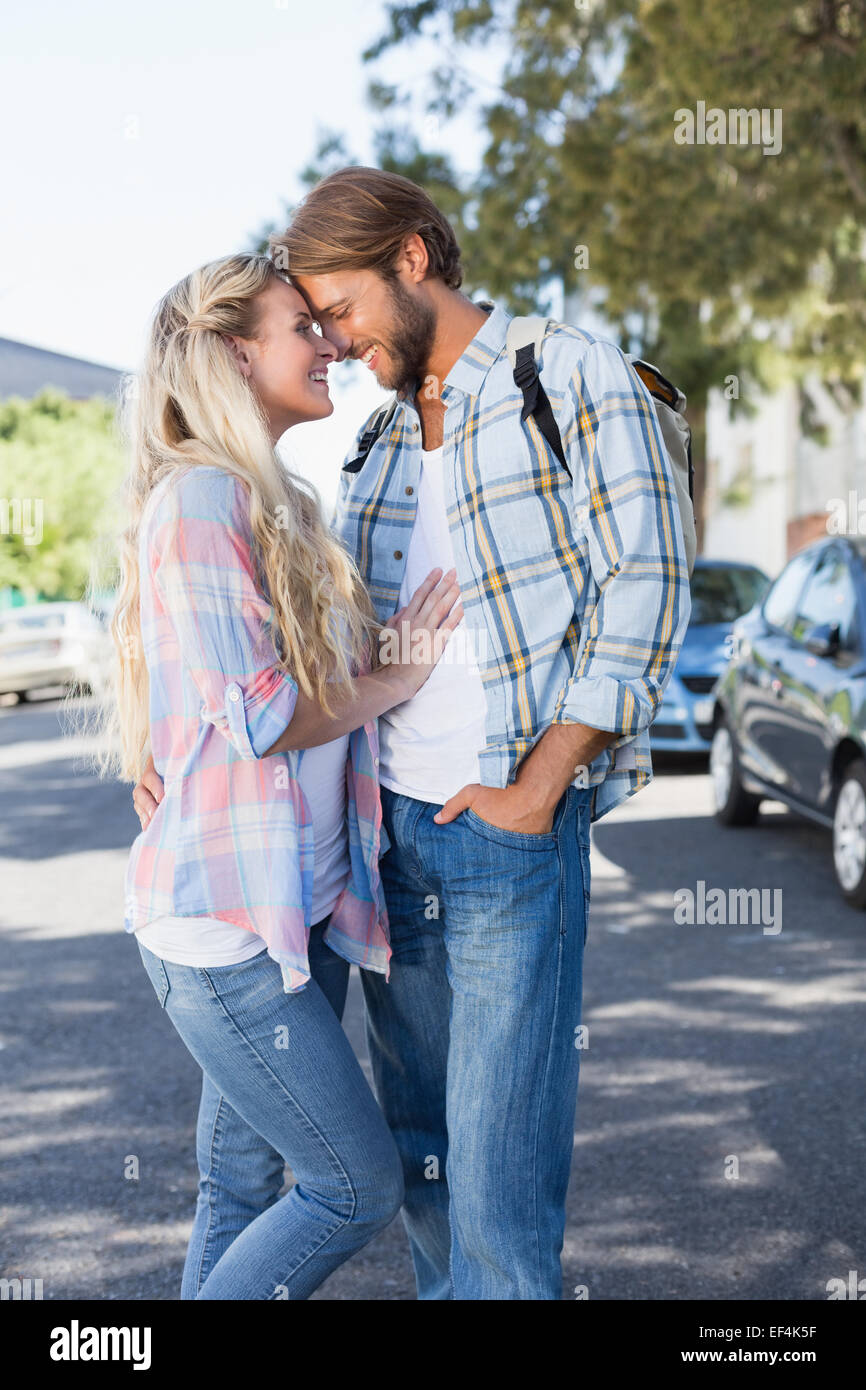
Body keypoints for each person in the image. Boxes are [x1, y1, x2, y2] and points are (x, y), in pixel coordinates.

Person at [136, 167, 691, 1299]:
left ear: (411, 259)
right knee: (427, 1181)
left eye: (336, 308)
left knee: (492, 1196)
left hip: (499, 836)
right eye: (312, 323)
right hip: (382, 853)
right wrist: (174, 744)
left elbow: (648, 578)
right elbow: (290, 652)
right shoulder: (379, 440)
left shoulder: (566, 371)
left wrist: (540, 784)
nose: (333, 341)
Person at [115, 251, 462, 1299]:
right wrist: (394, 673)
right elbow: (264, 715)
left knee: (236, 1180)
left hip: (294, 909)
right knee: (353, 1185)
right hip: (226, 932)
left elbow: (201, 687)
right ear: (232, 351)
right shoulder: (201, 499)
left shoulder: (282, 502)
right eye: (298, 328)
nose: (326, 347)